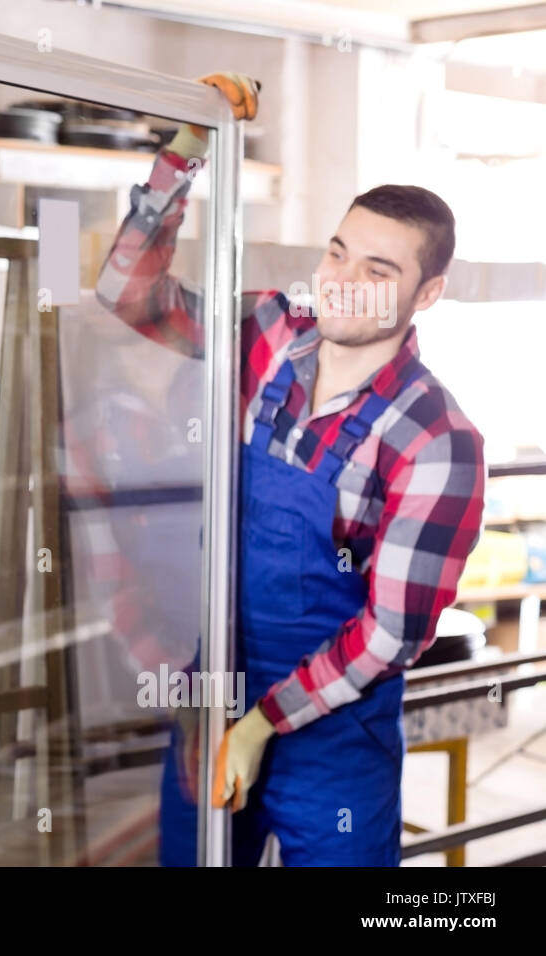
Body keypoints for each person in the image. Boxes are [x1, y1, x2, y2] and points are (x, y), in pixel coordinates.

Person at [96, 74, 485, 865]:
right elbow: (125, 291)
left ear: (429, 292)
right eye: (337, 251)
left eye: (378, 270)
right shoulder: (273, 330)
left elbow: (389, 634)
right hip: (215, 694)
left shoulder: (438, 439)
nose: (341, 280)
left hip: (331, 740)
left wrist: (260, 724)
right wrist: (188, 147)